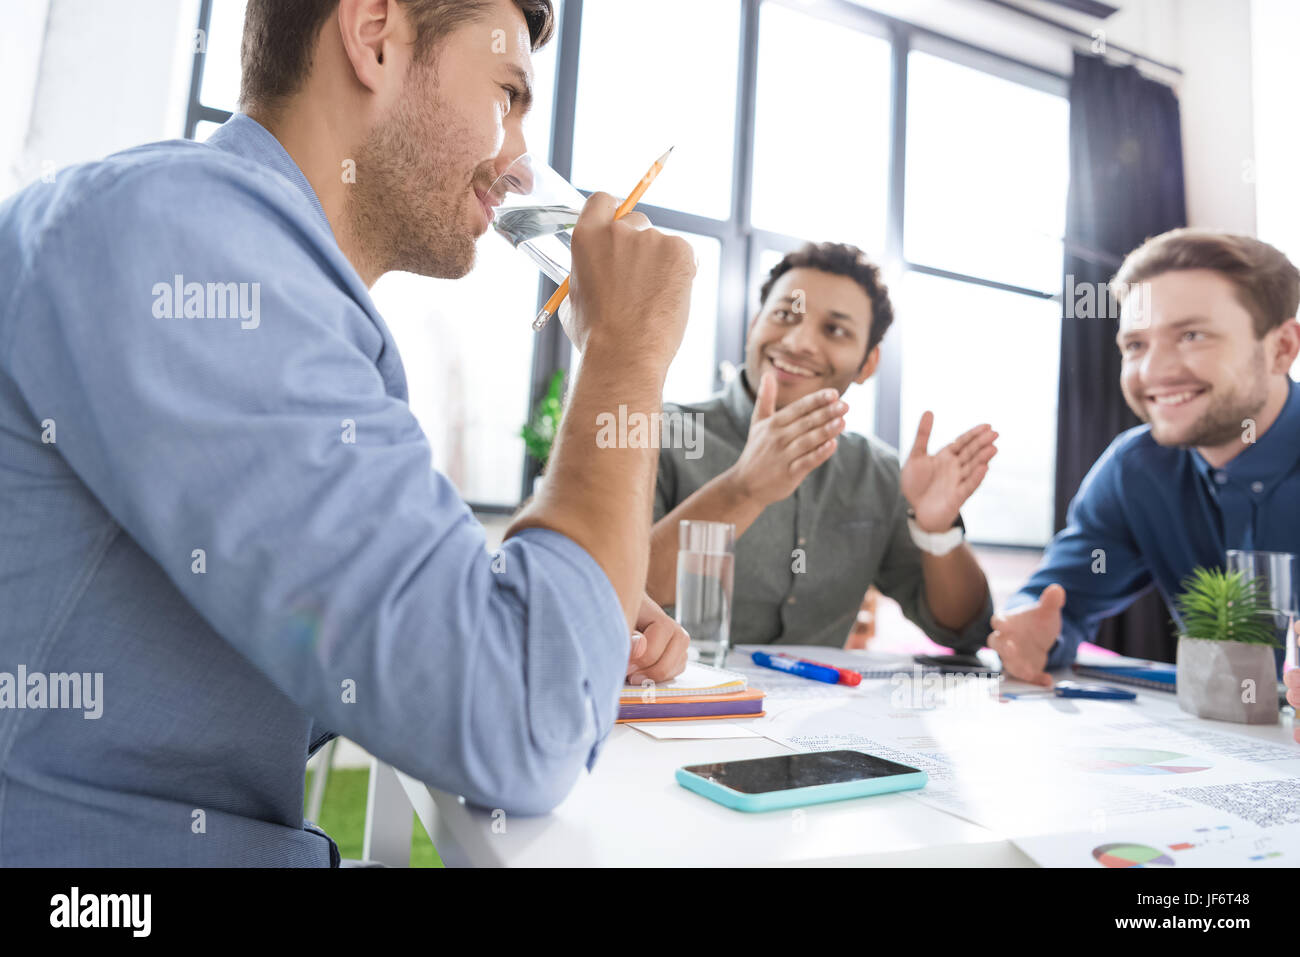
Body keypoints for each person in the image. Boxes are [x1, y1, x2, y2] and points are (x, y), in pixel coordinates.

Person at [0, 0, 695, 866]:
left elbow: (359, 646)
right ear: (374, 36)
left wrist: (552, 610)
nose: (518, 158)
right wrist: (626, 352)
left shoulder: (258, 274)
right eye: (508, 94)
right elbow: (520, 721)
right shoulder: (190, 240)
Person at [990, 229, 1300, 688]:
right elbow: (1062, 600)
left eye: (1192, 335)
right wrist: (1030, 631)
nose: (1153, 372)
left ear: (1281, 348)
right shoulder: (1135, 471)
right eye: (1135, 345)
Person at [647, 242, 996, 650]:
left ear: (867, 365)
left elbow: (966, 630)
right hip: (668, 708)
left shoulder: (879, 473)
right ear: (754, 325)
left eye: (836, 330)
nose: (798, 342)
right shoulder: (661, 433)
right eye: (783, 315)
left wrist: (938, 532)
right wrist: (743, 488)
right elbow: (607, 590)